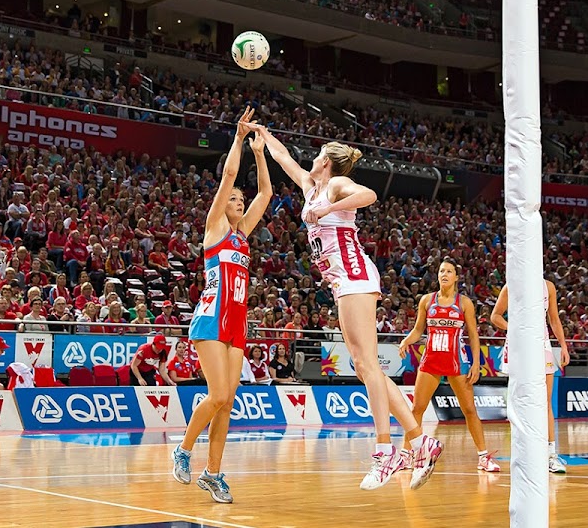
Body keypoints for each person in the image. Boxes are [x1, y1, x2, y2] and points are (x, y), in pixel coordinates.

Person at [255, 125, 438, 490]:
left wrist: (328, 210)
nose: (310, 160)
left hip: (355, 276)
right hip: (343, 283)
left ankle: (385, 451)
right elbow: (284, 158)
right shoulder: (311, 188)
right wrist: (261, 136)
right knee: (364, 366)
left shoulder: (335, 186)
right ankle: (420, 442)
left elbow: (369, 194)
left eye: (317, 155)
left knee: (367, 365)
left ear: (325, 162)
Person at [172, 108, 271, 504]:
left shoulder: (244, 233)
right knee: (216, 397)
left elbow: (264, 193)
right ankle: (182, 450)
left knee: (228, 401)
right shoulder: (215, 228)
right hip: (211, 318)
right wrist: (238, 139)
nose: (238, 200)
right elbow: (229, 176)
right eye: (233, 199)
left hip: (236, 324)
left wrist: (261, 153)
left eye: (239, 200)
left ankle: (213, 473)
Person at [398, 258, 499, 473]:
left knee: (470, 410)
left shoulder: (464, 303)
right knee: (417, 408)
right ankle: (406, 456)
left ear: (456, 277)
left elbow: (473, 335)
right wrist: (407, 340)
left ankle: (483, 457)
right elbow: (418, 330)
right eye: (441, 271)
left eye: (449, 271)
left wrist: (476, 363)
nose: (444, 274)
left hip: (457, 362)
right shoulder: (427, 300)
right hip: (431, 360)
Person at [490, 278, 570, 474]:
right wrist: (515, 329)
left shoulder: (548, 286)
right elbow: (495, 316)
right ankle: (523, 453)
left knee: (545, 402)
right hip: (519, 347)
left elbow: (553, 318)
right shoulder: (511, 284)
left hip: (542, 345)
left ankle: (551, 455)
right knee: (519, 401)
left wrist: (564, 345)